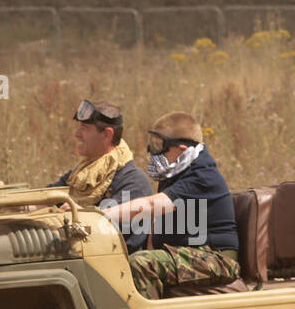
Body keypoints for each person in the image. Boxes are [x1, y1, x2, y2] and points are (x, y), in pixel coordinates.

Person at [101, 111, 240, 299]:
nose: (153, 152)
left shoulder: (202, 176)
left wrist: (101, 214)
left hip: (217, 259)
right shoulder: (176, 171)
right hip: (189, 253)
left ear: (181, 149)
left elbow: (152, 205)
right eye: (152, 144)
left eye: (159, 146)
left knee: (142, 263)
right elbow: (156, 219)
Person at [50, 100, 152, 254]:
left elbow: (107, 233)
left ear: (107, 134)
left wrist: (83, 215)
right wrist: (10, 200)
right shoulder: (83, 173)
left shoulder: (133, 182)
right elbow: (46, 198)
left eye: (84, 128)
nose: (76, 134)